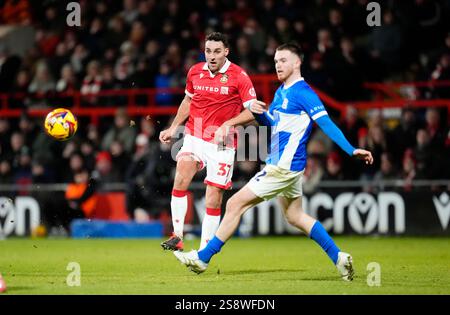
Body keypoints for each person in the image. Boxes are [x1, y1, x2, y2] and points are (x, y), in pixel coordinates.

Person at [173, 43, 373, 281]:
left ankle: (203, 258)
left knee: (235, 203)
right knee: (295, 216)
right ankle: (339, 257)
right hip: (290, 167)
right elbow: (273, 127)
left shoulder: (303, 92)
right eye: (276, 61)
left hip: (282, 166)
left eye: (283, 60)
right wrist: (259, 113)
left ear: (297, 62)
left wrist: (351, 150)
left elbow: (326, 123)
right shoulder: (281, 93)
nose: (278, 65)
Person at [159, 32, 257, 251]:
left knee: (213, 198)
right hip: (195, 135)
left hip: (222, 144)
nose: (211, 56)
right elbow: (187, 100)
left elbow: (254, 110)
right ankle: (177, 235)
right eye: (208, 51)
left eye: (217, 51)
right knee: (181, 177)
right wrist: (174, 127)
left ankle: (203, 252)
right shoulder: (195, 71)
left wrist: (228, 124)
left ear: (226, 52)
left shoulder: (239, 76)